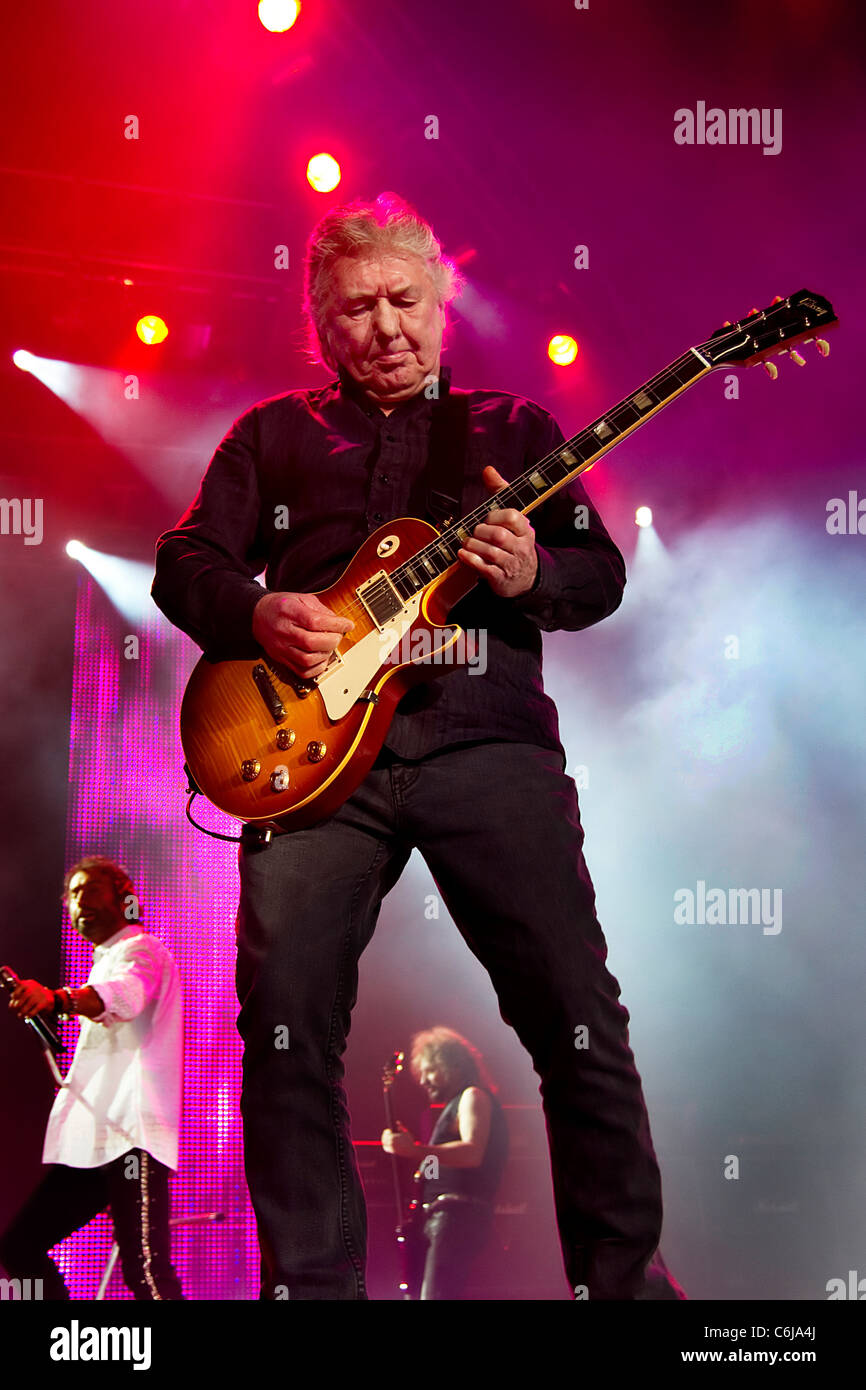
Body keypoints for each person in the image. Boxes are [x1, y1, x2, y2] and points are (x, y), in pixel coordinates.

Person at [151, 191, 683, 1301]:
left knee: (576, 1016)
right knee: (286, 1027)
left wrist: (532, 573)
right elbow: (185, 559)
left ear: (443, 305)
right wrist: (252, 613)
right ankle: (314, 1291)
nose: (385, 326)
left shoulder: (513, 431)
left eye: (405, 300)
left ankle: (623, 1289)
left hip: (480, 738)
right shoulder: (275, 435)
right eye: (357, 309)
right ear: (321, 322)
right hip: (310, 761)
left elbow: (598, 577)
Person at [0, 856, 184, 1300]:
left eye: (89, 890)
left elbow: (125, 994)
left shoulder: (143, 950)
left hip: (132, 1136)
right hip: (95, 1138)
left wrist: (57, 999)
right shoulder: (105, 960)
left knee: (145, 1265)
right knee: (21, 1246)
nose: (78, 902)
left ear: (123, 895)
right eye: (73, 896)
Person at [382, 1026, 507, 1300]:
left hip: (456, 1216)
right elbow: (445, 1163)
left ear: (453, 1066)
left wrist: (415, 1150)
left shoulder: (473, 1096)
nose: (423, 1080)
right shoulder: (454, 1106)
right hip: (443, 1217)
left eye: (429, 1071)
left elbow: (472, 1153)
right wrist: (414, 1150)